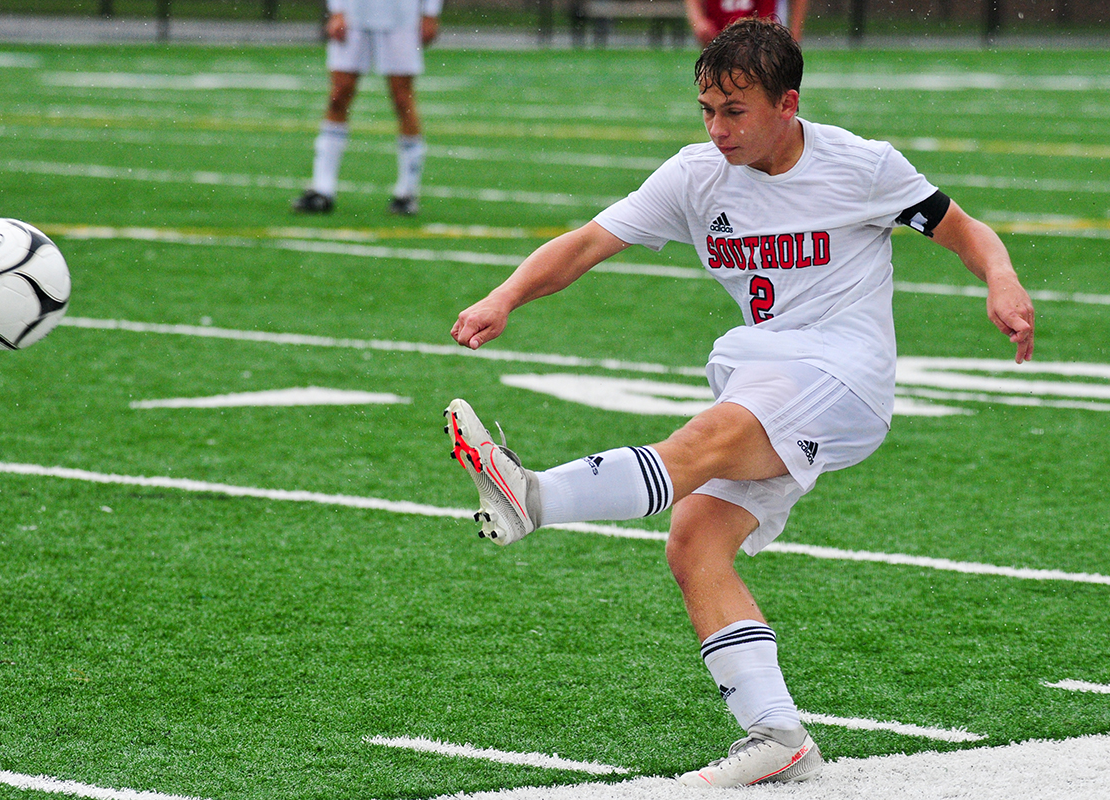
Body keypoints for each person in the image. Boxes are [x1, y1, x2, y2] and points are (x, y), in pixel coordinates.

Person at [443, 18, 1034, 788]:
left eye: (736, 110)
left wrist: (1002, 279)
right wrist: (505, 297)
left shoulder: (860, 165)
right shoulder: (695, 176)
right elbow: (587, 244)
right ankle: (778, 734)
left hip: (844, 374)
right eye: (707, 110)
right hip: (765, 368)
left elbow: (965, 231)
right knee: (695, 543)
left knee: (711, 437)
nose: (718, 129)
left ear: (787, 104)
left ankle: (537, 498)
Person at [292, 0, 442, 216]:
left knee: (403, 99)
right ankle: (323, 188)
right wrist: (337, 10)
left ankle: (407, 192)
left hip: (401, 15)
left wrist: (430, 13)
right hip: (354, 12)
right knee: (339, 95)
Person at [685, 0, 809, 45]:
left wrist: (795, 29)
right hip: (719, 22)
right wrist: (698, 20)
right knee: (714, 83)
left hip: (764, 27)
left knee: (763, 81)